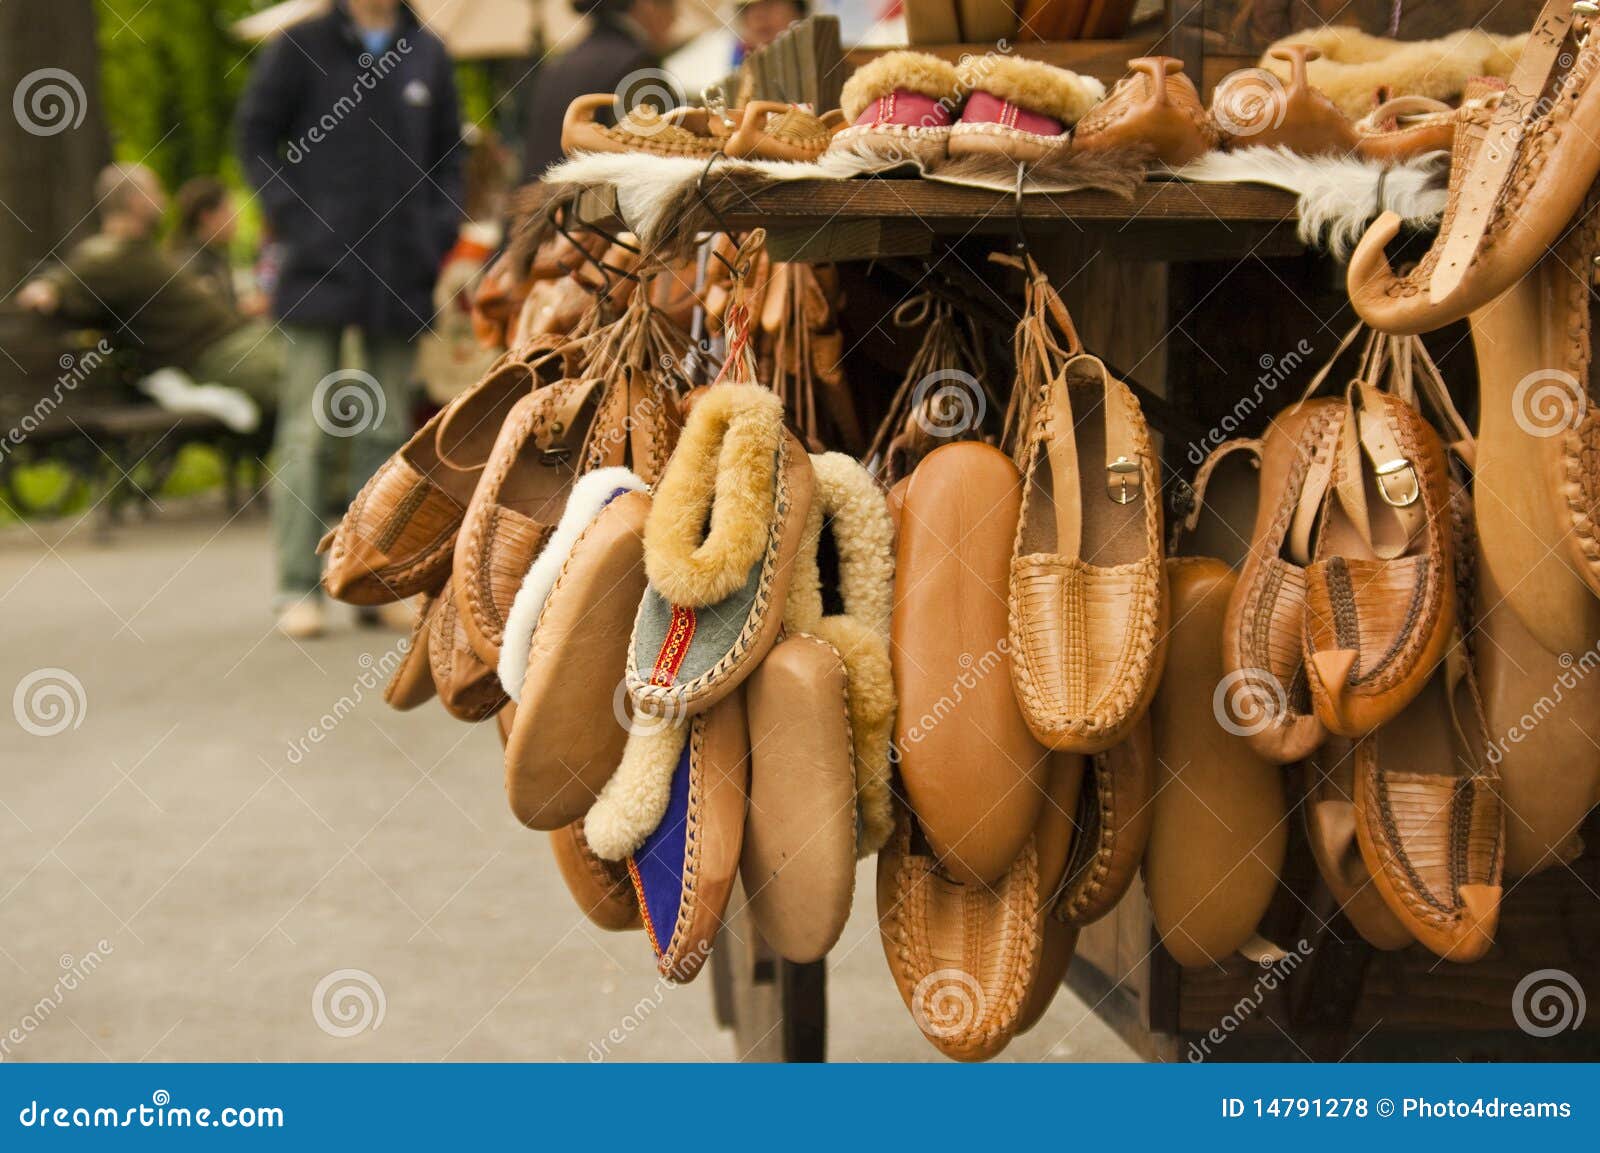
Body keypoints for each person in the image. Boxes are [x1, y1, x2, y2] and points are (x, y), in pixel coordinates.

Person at [237, 0, 462, 639]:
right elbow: (254, 137)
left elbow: (452, 157)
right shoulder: (299, 44)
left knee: (387, 432)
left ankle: (371, 584)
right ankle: (295, 588)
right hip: (316, 269)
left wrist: (436, 230)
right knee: (307, 431)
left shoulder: (428, 51)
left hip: (400, 270)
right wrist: (291, 215)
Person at [16, 163, 282, 422]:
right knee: (307, 382)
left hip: (238, 342)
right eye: (156, 191)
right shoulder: (109, 255)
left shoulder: (138, 250)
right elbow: (58, 284)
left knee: (312, 360)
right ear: (136, 201)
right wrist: (49, 288)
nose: (163, 199)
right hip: (218, 355)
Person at [521, 0, 680, 178]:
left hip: (542, 201)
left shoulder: (557, 65)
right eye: (671, 4)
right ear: (646, 5)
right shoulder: (637, 66)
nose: (676, 17)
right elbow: (658, 166)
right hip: (591, 203)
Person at [171, 176, 269, 319]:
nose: (236, 216)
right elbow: (209, 321)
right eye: (229, 209)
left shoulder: (211, 254)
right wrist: (252, 308)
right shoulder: (191, 264)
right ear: (206, 216)